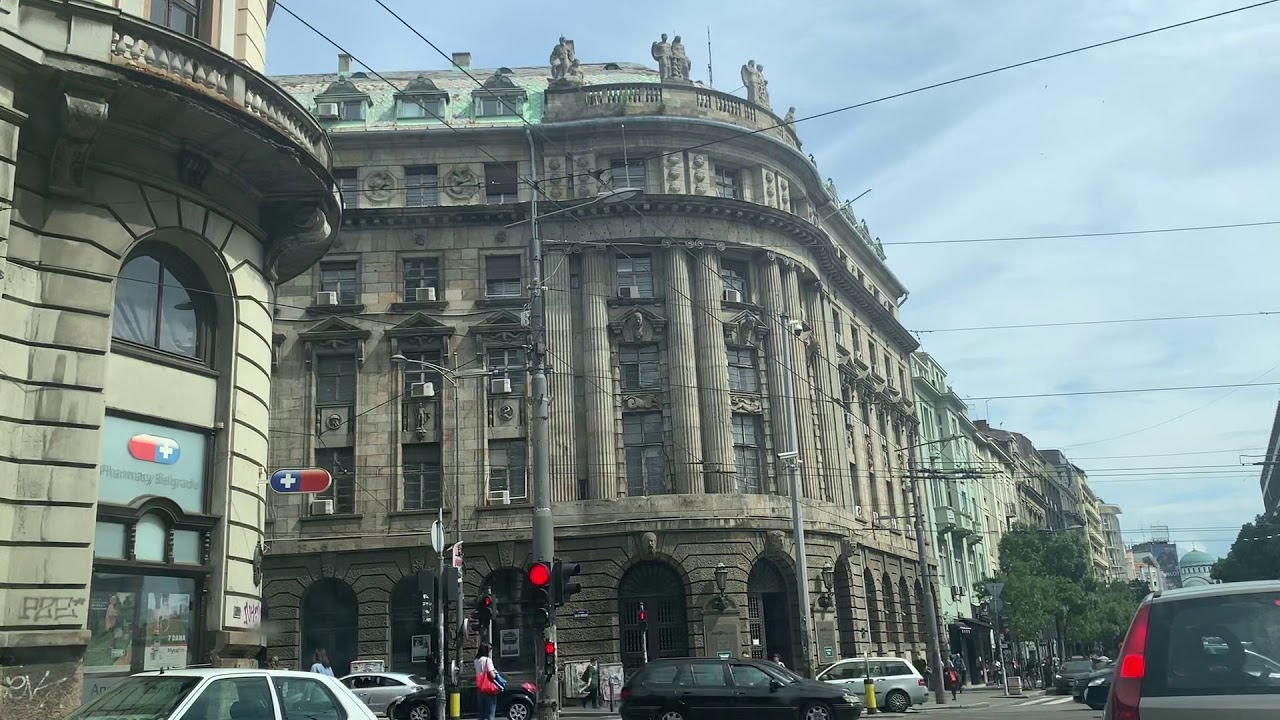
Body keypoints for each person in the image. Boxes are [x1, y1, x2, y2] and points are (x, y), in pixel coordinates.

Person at [475, 642, 506, 720]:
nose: (490, 651)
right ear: (486, 650)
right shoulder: (487, 660)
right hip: (488, 689)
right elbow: (492, 675)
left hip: (480, 688)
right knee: (490, 713)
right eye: (489, 649)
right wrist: (497, 676)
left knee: (482, 713)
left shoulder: (476, 660)